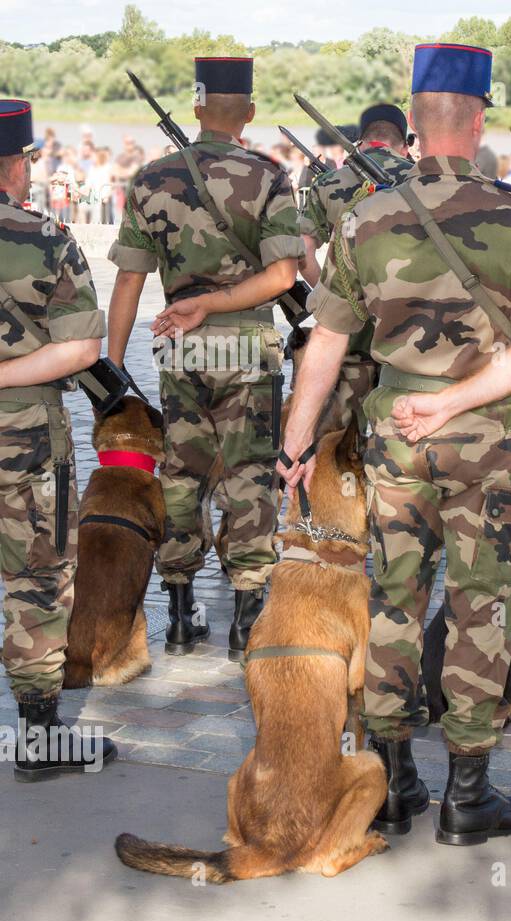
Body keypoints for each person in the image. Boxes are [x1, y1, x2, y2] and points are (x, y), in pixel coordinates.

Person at [279, 43, 511, 843]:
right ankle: (466, 795)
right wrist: (456, 400)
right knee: (482, 606)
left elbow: (325, 345)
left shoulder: (366, 218)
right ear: (476, 122)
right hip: (485, 442)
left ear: (412, 124)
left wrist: (297, 444)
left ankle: (394, 778)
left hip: (395, 442)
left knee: (395, 599)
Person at [106, 56, 303, 662]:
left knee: (182, 474)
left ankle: (181, 610)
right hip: (246, 344)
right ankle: (246, 615)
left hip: (180, 343)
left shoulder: (150, 179)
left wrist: (113, 371)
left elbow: (129, 285)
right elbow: (283, 277)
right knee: (249, 475)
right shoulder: (270, 175)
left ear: (196, 108)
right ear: (247, 113)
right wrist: (221, 300)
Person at [0, 100, 116, 780]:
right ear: (15, 165)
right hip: (25, 437)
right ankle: (39, 740)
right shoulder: (43, 237)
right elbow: (81, 349)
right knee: (37, 580)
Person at [297, 102, 414, 436]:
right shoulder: (420, 179)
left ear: (361, 141)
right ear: (404, 145)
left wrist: (339, 298)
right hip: (407, 340)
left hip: (347, 342)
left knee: (342, 439)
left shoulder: (329, 183)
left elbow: (303, 253)